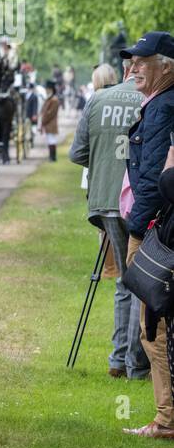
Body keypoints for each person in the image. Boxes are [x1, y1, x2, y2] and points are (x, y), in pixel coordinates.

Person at [70, 63, 147, 380]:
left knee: (123, 280)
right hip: (138, 201)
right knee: (139, 282)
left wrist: (103, 163)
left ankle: (118, 359)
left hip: (105, 200)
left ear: (125, 69)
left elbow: (77, 154)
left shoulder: (98, 99)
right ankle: (134, 364)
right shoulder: (149, 98)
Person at [118, 32, 174, 439]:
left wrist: (137, 227)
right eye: (131, 60)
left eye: (142, 60)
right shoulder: (158, 104)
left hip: (158, 234)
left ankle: (166, 420)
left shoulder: (163, 109)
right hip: (160, 227)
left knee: (153, 329)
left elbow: (154, 181)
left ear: (166, 66)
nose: (132, 67)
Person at [39, 81, 60, 161]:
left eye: (47, 89)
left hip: (51, 123)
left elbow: (50, 113)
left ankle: (53, 157)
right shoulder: (49, 99)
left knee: (52, 140)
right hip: (49, 123)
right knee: (49, 140)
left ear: (51, 90)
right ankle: (51, 156)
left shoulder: (54, 100)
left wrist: (43, 121)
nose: (46, 90)